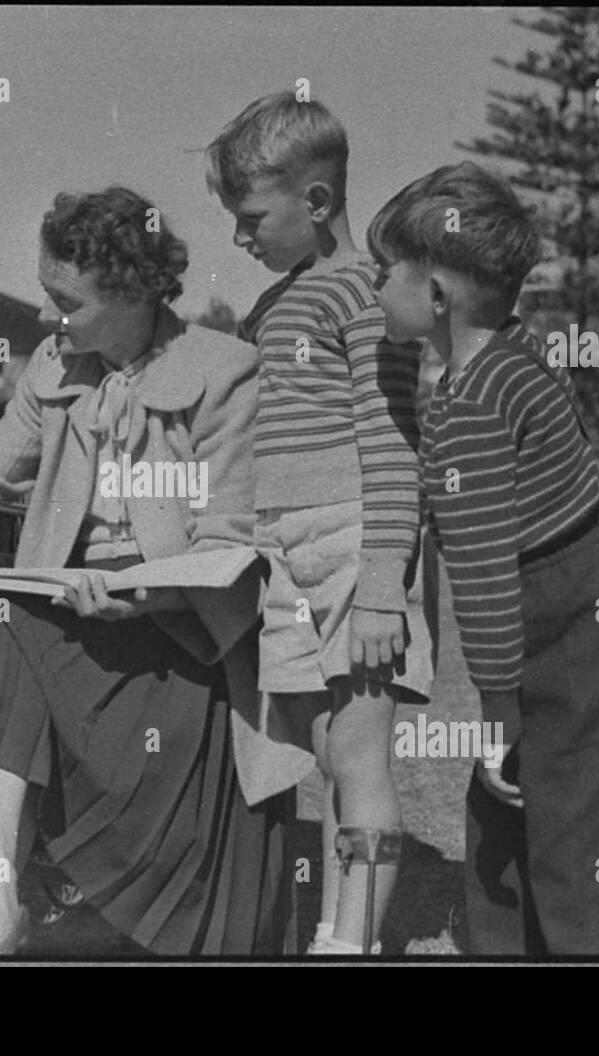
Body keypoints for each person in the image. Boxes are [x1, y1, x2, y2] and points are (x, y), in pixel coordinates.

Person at [0, 186, 290, 955]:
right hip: (66, 611)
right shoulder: (57, 365)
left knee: (5, 629)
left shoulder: (225, 372)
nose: (53, 319)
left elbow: (229, 538)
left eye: (68, 302)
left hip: (176, 633)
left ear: (133, 292)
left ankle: (18, 903)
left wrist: (146, 593)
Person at [366, 161, 599, 954]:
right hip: (592, 587)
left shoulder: (468, 408)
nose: (372, 291)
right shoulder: (512, 354)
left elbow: (483, 583)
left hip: (573, 613)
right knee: (513, 814)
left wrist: (499, 714)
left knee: (586, 827)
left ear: (435, 295)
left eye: (382, 273)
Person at [206, 93, 437, 953]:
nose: (241, 237)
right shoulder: (270, 308)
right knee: (324, 756)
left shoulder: (363, 295)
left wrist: (382, 585)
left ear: (315, 201)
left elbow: (392, 443)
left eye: (252, 217)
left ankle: (354, 942)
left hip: (353, 544)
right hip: (283, 549)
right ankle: (339, 932)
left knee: (360, 758)